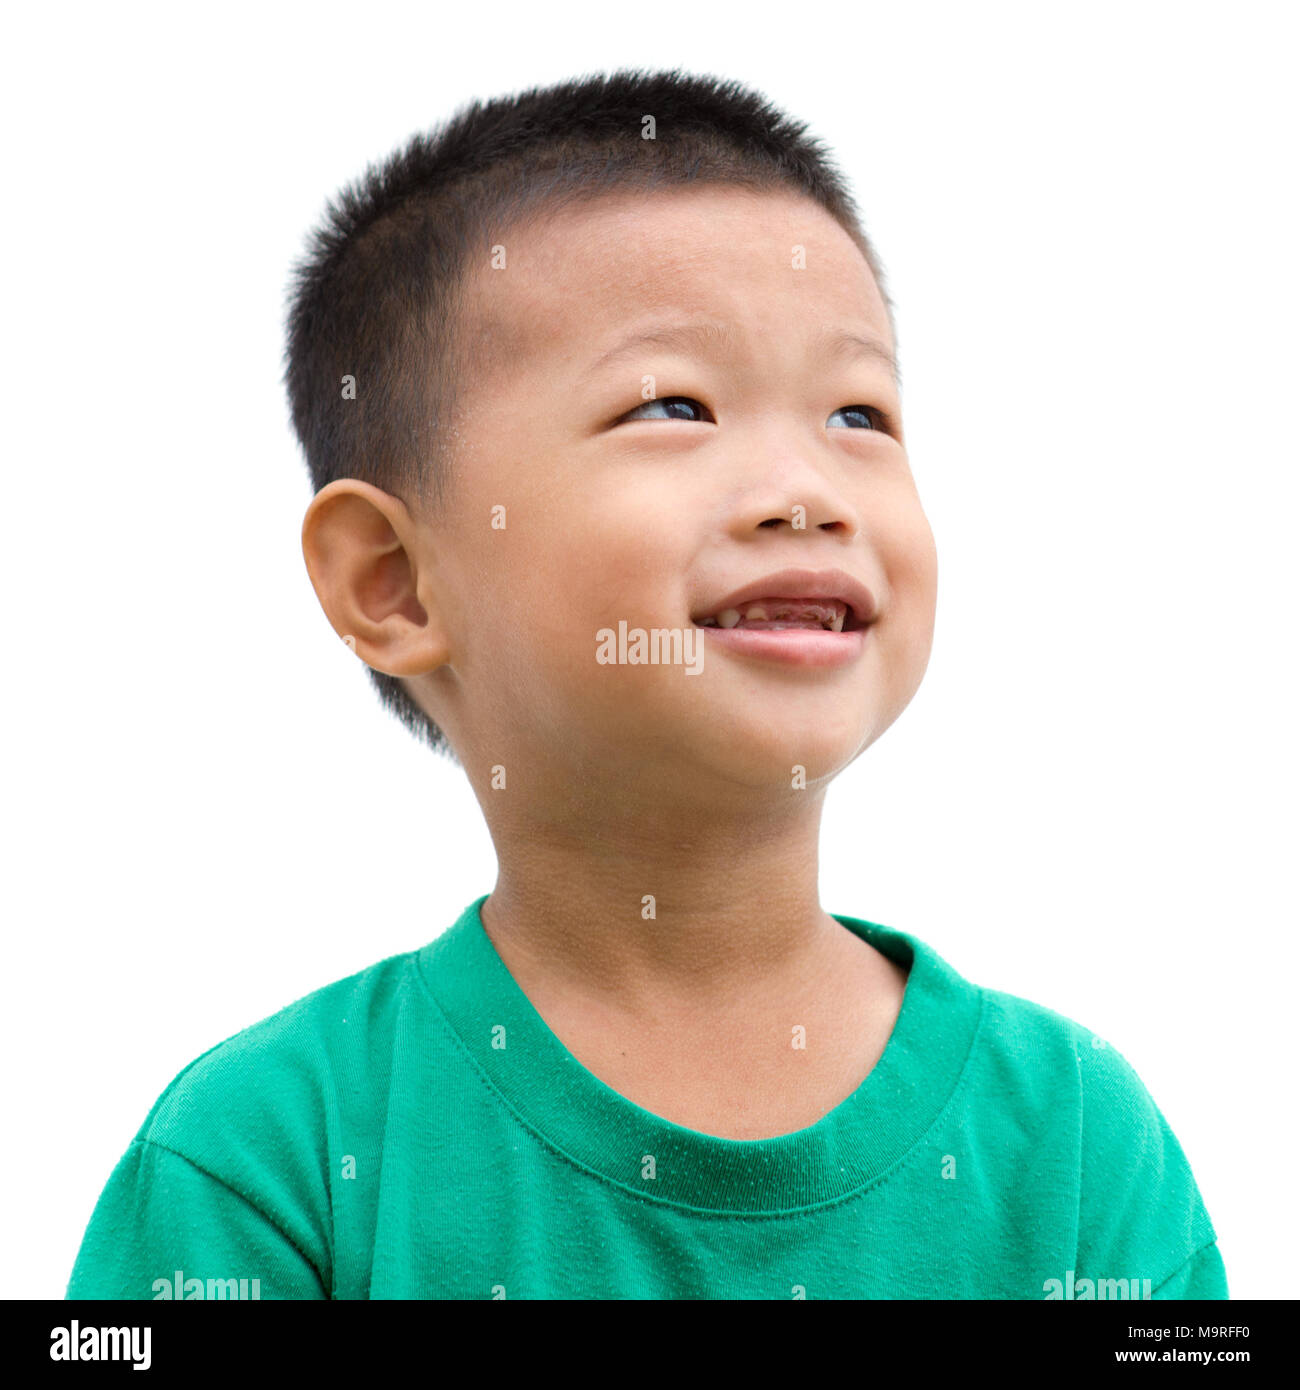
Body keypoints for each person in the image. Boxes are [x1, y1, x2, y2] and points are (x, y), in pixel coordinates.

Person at [67, 67, 1226, 1300]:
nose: (807, 490)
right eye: (674, 404)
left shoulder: (1080, 1146)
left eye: (858, 413)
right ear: (396, 582)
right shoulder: (267, 1158)